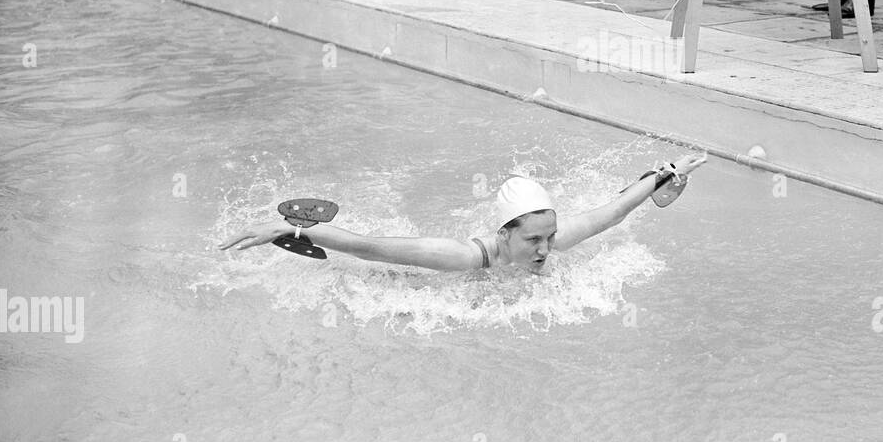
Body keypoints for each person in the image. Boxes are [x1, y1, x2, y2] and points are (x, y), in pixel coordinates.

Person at [219, 156, 708, 274]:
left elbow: (616, 210)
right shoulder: (461, 258)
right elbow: (373, 247)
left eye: (549, 236)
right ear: (504, 233)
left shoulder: (556, 240)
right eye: (534, 239)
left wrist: (665, 174)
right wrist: (292, 227)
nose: (545, 249)